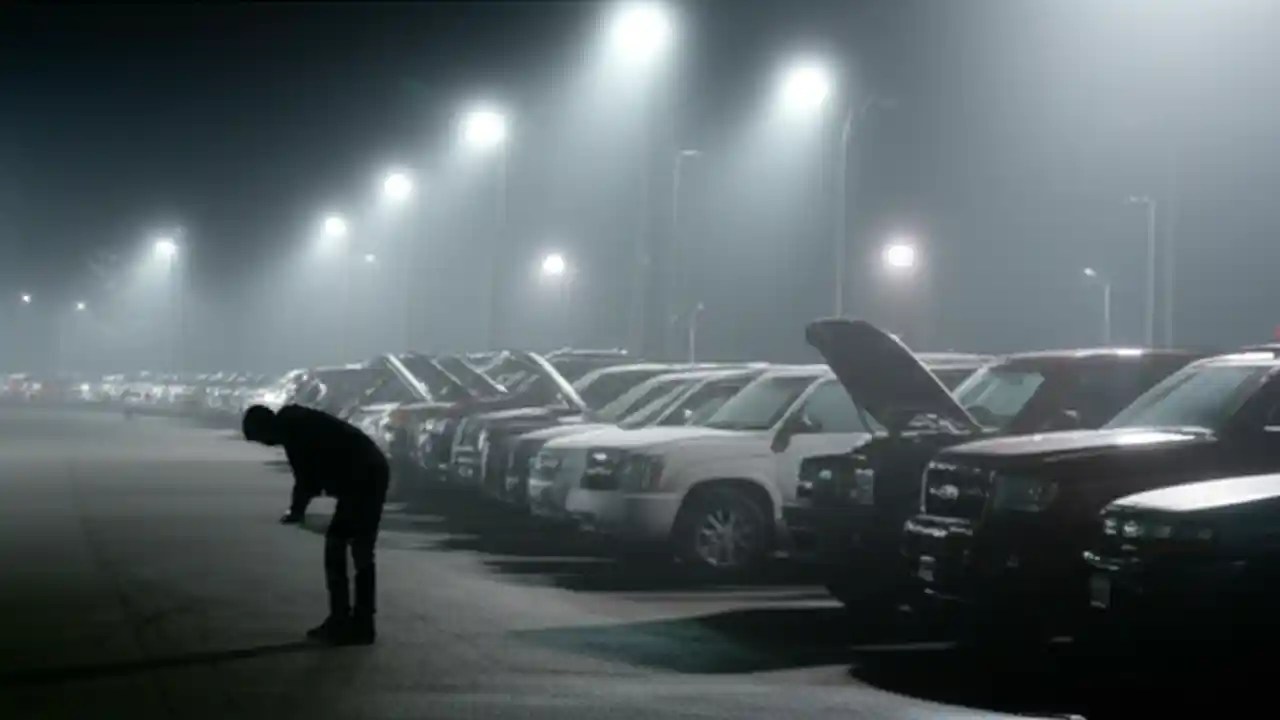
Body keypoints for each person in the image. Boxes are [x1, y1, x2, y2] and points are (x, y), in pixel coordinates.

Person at [243, 403, 389, 645]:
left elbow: (306, 480)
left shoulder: (295, 430)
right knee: (356, 551)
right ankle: (357, 622)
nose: (268, 445)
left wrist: (296, 511)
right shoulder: (295, 423)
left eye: (263, 439)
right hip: (366, 473)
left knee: (346, 549)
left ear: (267, 428)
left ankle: (348, 621)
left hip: (364, 478)